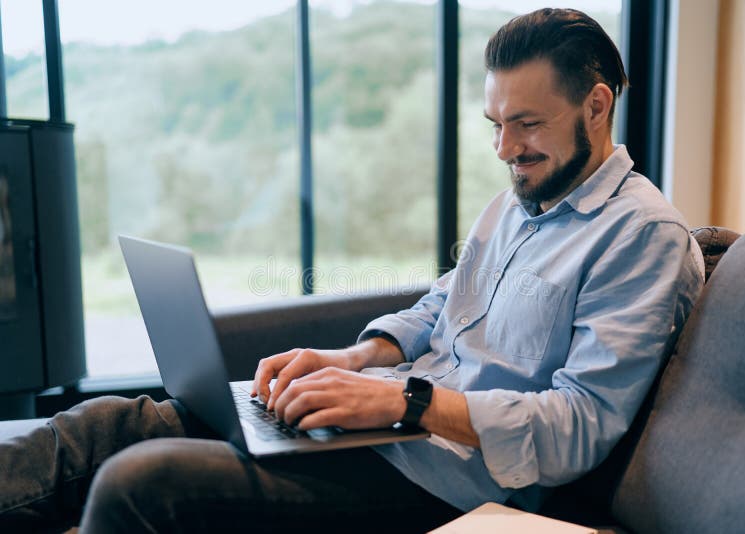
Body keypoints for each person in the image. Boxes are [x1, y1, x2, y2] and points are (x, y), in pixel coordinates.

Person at [0, 8, 704, 533]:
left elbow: (579, 425)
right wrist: (356, 357)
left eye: (526, 124)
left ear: (597, 105)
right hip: (386, 434)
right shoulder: (516, 205)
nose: (503, 147)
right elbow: (439, 307)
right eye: (494, 123)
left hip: (451, 486)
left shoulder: (643, 239)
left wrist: (407, 403)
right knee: (114, 422)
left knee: (142, 482)